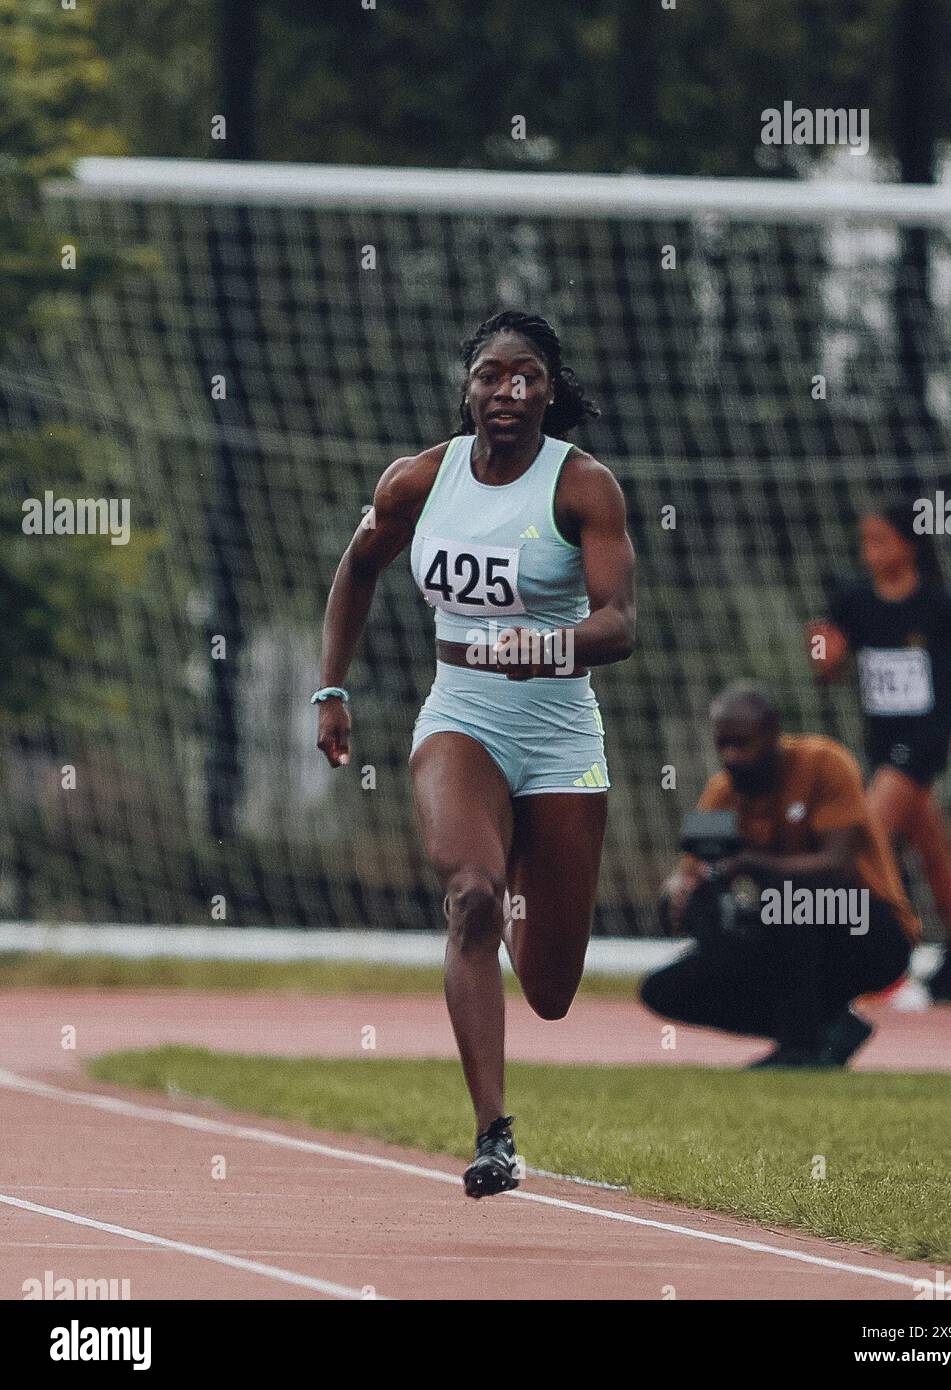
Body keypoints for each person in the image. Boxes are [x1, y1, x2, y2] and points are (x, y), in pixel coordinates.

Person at [315, 310, 636, 1198]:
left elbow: (618, 625)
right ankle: (494, 1133)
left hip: (561, 733)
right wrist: (331, 688)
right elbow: (358, 567)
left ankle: (516, 885)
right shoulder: (420, 480)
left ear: (548, 390)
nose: (507, 391)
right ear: (469, 386)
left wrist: (545, 645)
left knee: (551, 989)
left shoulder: (582, 488)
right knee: (470, 897)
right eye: (491, 374)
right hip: (461, 716)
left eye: (526, 375)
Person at [641, 683, 918, 1069]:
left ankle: (800, 1048)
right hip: (786, 938)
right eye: (723, 745)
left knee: (786, 896)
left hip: (866, 928)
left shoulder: (824, 763)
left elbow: (838, 865)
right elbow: (689, 873)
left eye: (742, 744)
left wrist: (749, 864)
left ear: (772, 735)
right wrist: (681, 892)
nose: (731, 757)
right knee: (664, 988)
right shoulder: (722, 793)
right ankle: (825, 1028)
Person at [806, 502, 951, 1012]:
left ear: (909, 545)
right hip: (882, 738)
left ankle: (890, 961)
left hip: (926, 734)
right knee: (932, 850)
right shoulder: (854, 600)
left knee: (868, 835)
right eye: (866, 542)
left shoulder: (935, 604)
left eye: (882, 541)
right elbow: (829, 664)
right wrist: (822, 655)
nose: (872, 553)